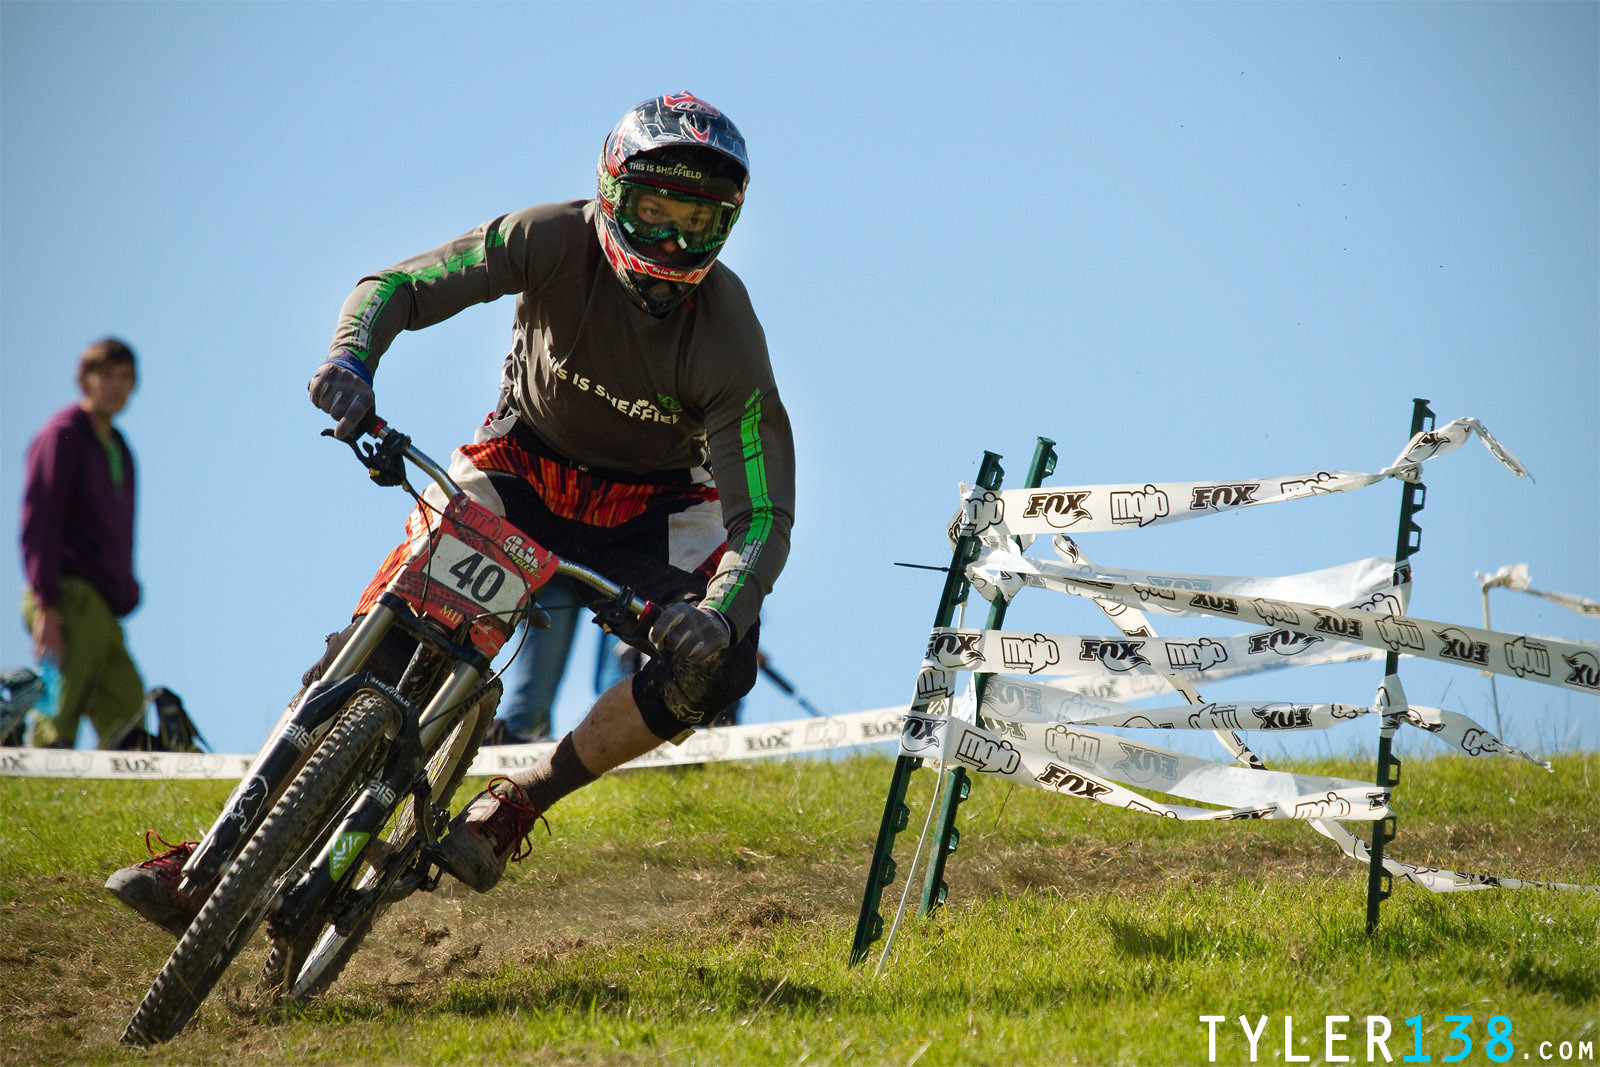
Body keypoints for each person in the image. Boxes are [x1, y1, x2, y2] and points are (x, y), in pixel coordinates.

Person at [106, 92, 796, 927]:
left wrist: (720, 613)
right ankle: (218, 851)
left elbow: (760, 516)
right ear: (613, 192)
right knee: (382, 638)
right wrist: (350, 360)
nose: (675, 240)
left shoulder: (730, 333)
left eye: (700, 221)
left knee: (720, 664)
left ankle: (520, 803)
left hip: (655, 507)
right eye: (656, 211)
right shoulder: (547, 237)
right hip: (520, 463)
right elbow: (398, 283)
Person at [19, 338, 147, 749]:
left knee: (129, 716)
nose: (115, 386)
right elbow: (40, 523)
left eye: (125, 377)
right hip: (67, 596)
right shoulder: (62, 436)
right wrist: (48, 607)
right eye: (106, 375)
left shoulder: (119, 448)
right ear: (85, 380)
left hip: (104, 607)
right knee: (57, 720)